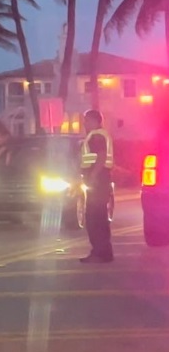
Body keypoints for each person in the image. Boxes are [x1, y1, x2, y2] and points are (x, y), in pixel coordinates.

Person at [80, 109, 115, 263]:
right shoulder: (101, 134)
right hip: (102, 180)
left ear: (94, 121)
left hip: (98, 181)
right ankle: (104, 253)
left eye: (86, 120)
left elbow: (100, 156)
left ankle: (99, 252)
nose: (84, 123)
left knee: (93, 218)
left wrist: (92, 176)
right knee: (99, 217)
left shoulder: (96, 135)